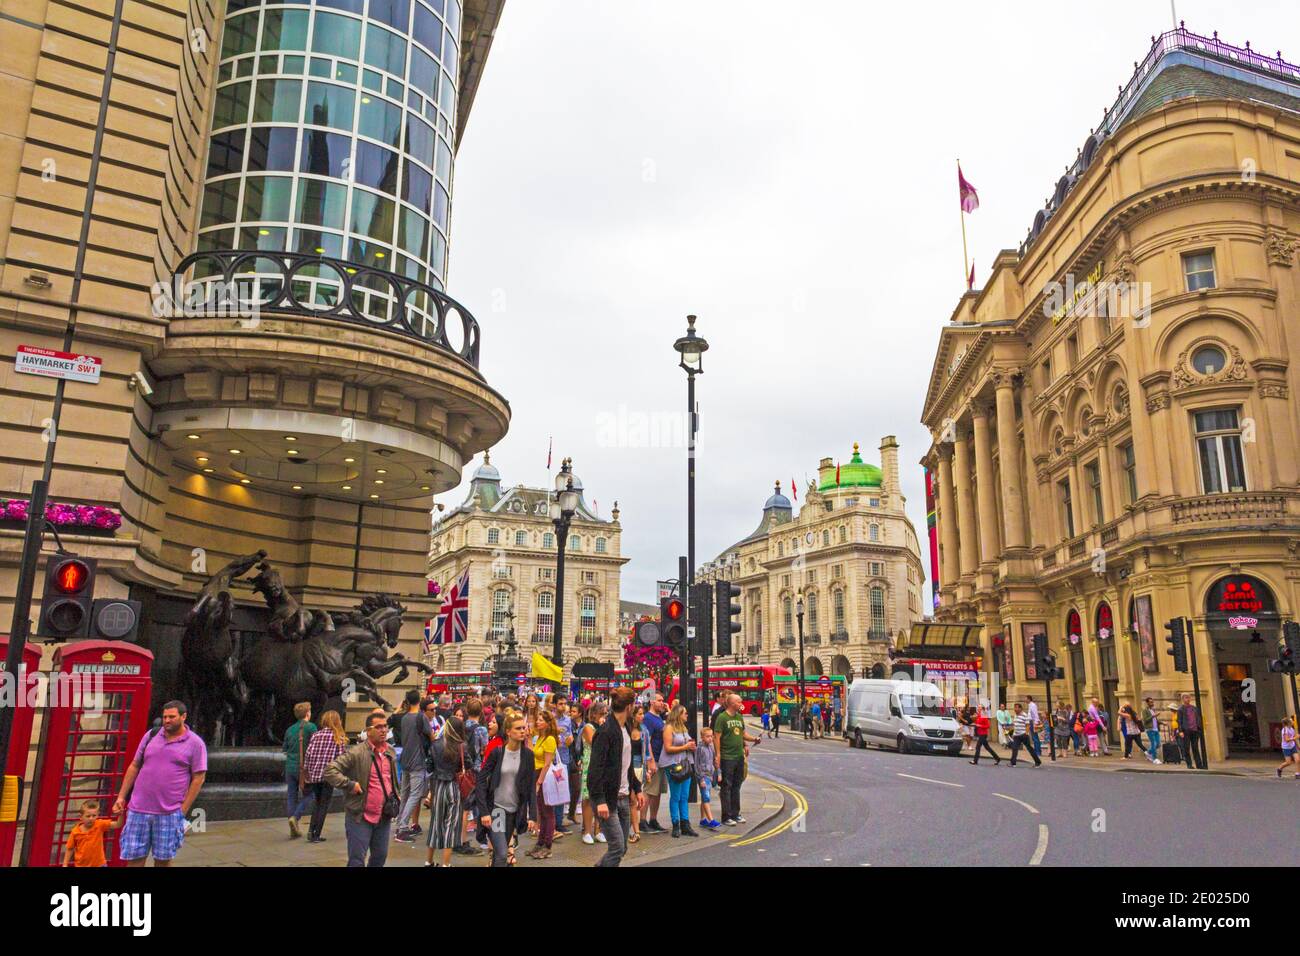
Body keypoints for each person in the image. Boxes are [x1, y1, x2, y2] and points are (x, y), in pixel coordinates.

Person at [114, 700, 207, 867]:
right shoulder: (151, 735)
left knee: (163, 861)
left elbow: (199, 778)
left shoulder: (195, 743)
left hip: (168, 813)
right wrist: (121, 796)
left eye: (172, 717)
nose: (167, 720)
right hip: (138, 809)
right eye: (164, 717)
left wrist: (183, 809)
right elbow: (134, 765)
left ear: (183, 716)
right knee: (134, 859)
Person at [323, 712, 400, 867]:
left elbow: (391, 779)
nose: (383, 730)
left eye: (385, 726)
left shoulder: (390, 751)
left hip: (383, 815)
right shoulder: (356, 752)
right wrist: (350, 784)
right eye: (378, 727)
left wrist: (396, 796)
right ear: (368, 730)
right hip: (360, 815)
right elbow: (330, 771)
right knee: (357, 860)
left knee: (379, 857)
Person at [586, 686, 645, 867]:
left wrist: (637, 788)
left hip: (624, 797)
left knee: (622, 847)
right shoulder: (606, 731)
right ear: (629, 707)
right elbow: (595, 769)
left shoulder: (625, 728)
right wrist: (600, 799)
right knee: (617, 847)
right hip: (607, 799)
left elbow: (626, 764)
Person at [474, 713, 537, 866]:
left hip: (514, 812)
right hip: (497, 810)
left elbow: (530, 787)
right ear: (508, 731)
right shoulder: (498, 752)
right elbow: (481, 779)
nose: (523, 731)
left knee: (498, 855)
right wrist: (484, 812)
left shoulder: (528, 755)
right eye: (518, 728)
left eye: (524, 728)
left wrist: (533, 816)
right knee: (503, 853)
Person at [424, 715, 466, 867]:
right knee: (451, 827)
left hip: (439, 787)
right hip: (454, 787)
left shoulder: (435, 745)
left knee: (435, 824)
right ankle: (446, 864)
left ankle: (428, 861)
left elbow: (428, 767)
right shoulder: (461, 746)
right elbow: (467, 765)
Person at [714, 692, 761, 825]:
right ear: (732, 703)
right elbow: (716, 737)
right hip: (727, 757)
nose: (741, 704)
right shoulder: (722, 718)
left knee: (737, 786)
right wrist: (718, 754)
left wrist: (753, 739)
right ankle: (726, 816)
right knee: (726, 786)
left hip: (739, 756)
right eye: (739, 702)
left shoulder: (739, 717)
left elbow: (742, 733)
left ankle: (736, 814)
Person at [303, 709, 348, 842]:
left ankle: (311, 831)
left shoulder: (316, 735)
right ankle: (316, 833)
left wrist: (307, 771)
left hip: (315, 775)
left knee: (317, 802)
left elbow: (308, 755)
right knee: (324, 804)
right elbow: (341, 759)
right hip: (329, 776)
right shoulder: (337, 737)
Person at [394, 691, 433, 843]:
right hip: (417, 761)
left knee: (405, 794)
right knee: (415, 794)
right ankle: (403, 827)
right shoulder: (421, 717)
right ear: (420, 700)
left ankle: (399, 825)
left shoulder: (403, 718)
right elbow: (431, 736)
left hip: (405, 759)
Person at [660, 704, 698, 837]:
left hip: (685, 764)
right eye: (685, 713)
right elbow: (668, 748)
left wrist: (691, 747)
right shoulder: (668, 728)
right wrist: (685, 746)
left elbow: (686, 744)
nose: (687, 715)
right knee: (676, 796)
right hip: (673, 765)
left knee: (684, 796)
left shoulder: (683, 728)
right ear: (678, 714)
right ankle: (676, 824)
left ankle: (685, 824)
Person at [281, 701, 317, 839]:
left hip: (289, 767)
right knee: (310, 794)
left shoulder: (289, 729)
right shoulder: (311, 727)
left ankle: (293, 826)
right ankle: (295, 817)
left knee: (291, 795)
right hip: (303, 768)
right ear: (308, 713)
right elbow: (316, 745)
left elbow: (285, 748)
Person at [529, 709, 560, 859]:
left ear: (548, 723)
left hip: (544, 776)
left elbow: (547, 764)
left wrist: (539, 782)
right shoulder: (540, 737)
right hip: (537, 774)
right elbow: (532, 754)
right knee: (541, 811)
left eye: (541, 720)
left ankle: (547, 845)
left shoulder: (550, 739)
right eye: (538, 719)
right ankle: (540, 843)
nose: (538, 722)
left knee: (548, 812)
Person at [580, 701, 608, 845]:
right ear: (594, 714)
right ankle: (587, 831)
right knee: (588, 799)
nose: (604, 717)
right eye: (602, 714)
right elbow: (595, 743)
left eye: (606, 714)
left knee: (600, 799)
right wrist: (603, 729)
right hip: (590, 765)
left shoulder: (606, 727)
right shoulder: (588, 727)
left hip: (603, 766)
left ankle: (599, 830)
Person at [640, 694, 669, 833]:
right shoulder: (648, 718)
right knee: (649, 791)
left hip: (662, 759)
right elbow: (647, 740)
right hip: (654, 759)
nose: (662, 703)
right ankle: (642, 821)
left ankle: (653, 819)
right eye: (659, 701)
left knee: (657, 792)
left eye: (663, 701)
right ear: (652, 702)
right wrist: (650, 761)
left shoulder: (659, 718)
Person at [62, 800, 122, 867]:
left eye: (94, 816)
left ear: (97, 815)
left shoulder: (100, 824)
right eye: (88, 816)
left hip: (100, 864)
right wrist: (65, 864)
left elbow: (118, 824)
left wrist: (121, 814)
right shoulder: (75, 832)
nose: (91, 818)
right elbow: (70, 848)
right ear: (81, 817)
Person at [553, 695, 575, 837]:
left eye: (564, 704)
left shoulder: (568, 720)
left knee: (561, 790)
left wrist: (570, 740)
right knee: (551, 790)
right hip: (552, 759)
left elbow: (570, 736)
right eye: (560, 703)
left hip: (564, 759)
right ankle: (551, 823)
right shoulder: (550, 719)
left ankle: (559, 823)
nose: (563, 706)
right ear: (554, 705)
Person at [695, 725, 720, 829]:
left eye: (711, 736)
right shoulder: (699, 749)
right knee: (706, 798)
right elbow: (697, 765)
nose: (710, 738)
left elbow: (715, 761)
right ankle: (711, 820)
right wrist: (701, 779)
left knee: (705, 798)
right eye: (707, 736)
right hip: (703, 776)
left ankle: (703, 820)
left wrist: (718, 773)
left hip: (709, 776)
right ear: (702, 737)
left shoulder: (711, 747)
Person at [1177, 694, 1207, 769]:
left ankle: (1199, 765)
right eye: (1186, 698)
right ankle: (1189, 764)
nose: (1188, 699)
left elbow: (1198, 718)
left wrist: (1199, 728)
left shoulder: (1195, 708)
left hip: (1195, 731)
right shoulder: (1180, 709)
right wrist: (1180, 731)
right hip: (1186, 731)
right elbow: (1179, 721)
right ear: (1183, 699)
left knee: (1195, 748)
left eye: (1189, 697)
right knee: (1186, 748)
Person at [1008, 702, 1041, 767]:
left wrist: (1026, 733)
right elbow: (1015, 725)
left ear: (1020, 708)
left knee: (1029, 748)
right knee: (1014, 748)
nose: (1015, 709)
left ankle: (1037, 762)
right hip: (1017, 736)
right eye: (1014, 708)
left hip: (1023, 735)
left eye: (1016, 708)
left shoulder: (1024, 715)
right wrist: (1013, 733)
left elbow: (1027, 725)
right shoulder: (1015, 715)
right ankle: (1013, 763)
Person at [1142, 698, 1162, 765]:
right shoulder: (1145, 711)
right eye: (1150, 702)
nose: (1152, 703)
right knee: (1153, 744)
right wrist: (1153, 716)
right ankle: (1155, 759)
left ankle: (1148, 752)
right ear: (1147, 703)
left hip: (1156, 729)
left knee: (1158, 744)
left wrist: (1162, 723)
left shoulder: (1153, 710)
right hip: (1150, 729)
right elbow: (1145, 720)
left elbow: (1155, 720)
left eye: (1153, 702)